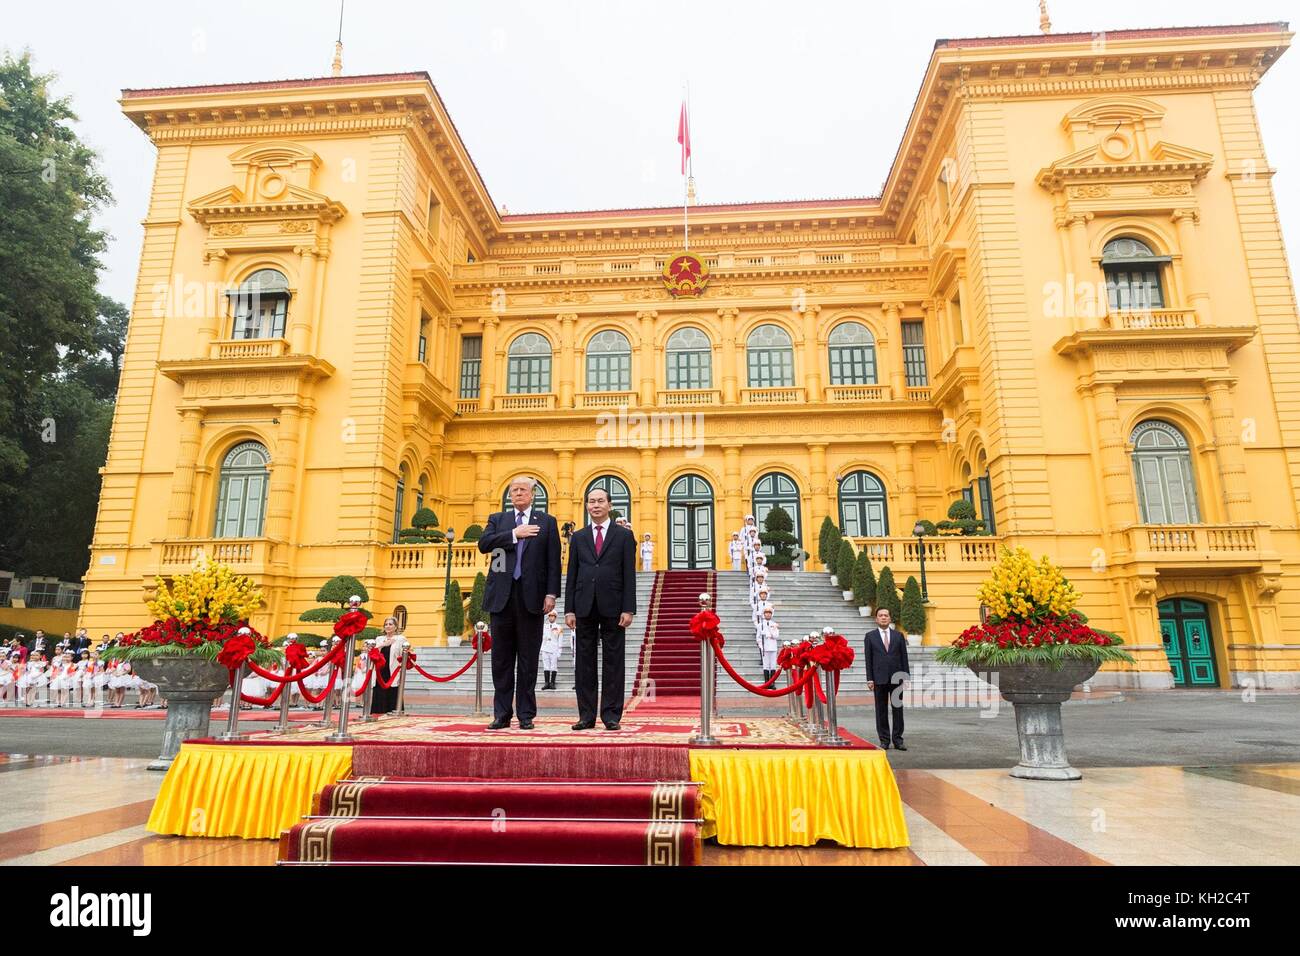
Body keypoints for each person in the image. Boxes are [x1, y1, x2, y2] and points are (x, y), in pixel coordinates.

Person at [477, 475, 561, 730]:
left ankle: (526, 714)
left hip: (532, 598)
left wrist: (551, 594)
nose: (518, 493)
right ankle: (501, 714)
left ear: (533, 494)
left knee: (527, 659)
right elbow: (484, 544)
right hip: (501, 597)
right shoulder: (498, 519)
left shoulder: (546, 522)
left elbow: (553, 561)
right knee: (501, 660)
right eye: (514, 490)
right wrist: (514, 534)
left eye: (523, 490)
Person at [564, 486, 637, 731]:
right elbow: (572, 574)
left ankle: (611, 715)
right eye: (591, 501)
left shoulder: (624, 536)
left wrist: (629, 608)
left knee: (613, 662)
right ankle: (586, 715)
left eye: (600, 501)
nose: (595, 505)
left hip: (614, 606)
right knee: (584, 663)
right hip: (584, 605)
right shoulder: (579, 537)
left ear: (609, 505)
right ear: (586, 506)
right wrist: (569, 609)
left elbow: (629, 575)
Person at [863, 607, 910, 751]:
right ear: (876, 619)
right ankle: (884, 740)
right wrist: (870, 679)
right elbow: (868, 659)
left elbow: (904, 657)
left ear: (890, 618)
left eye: (886, 615)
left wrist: (906, 676)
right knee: (881, 710)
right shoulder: (870, 636)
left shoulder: (898, 636)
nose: (883, 617)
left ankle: (898, 740)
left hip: (897, 678)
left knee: (897, 709)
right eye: (880, 615)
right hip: (879, 678)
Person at [371, 618, 408, 714]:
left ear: (395, 626)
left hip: (393, 670)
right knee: (379, 691)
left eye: (390, 624)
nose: (388, 626)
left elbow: (403, 656)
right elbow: (373, 652)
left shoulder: (401, 639)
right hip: (380, 670)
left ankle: (395, 711)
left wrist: (401, 672)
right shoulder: (379, 639)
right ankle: (378, 712)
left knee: (393, 691)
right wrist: (383, 644)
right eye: (386, 624)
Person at [540, 610, 566, 691]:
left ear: (555, 617)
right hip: (545, 648)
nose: (551, 617)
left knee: (553, 666)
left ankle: (552, 683)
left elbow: (560, 640)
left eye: (553, 616)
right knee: (546, 666)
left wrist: (559, 651)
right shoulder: (544, 626)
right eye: (550, 616)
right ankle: (546, 683)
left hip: (554, 649)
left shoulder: (559, 627)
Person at [758, 604, 780, 683]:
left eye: (769, 613)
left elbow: (776, 636)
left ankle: (772, 682)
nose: (768, 614)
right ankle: (767, 682)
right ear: (764, 614)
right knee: (766, 665)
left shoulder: (774, 624)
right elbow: (758, 637)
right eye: (766, 613)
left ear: (771, 614)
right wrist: (761, 646)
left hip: (773, 646)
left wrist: (771, 632)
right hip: (765, 647)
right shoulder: (760, 625)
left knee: (773, 665)